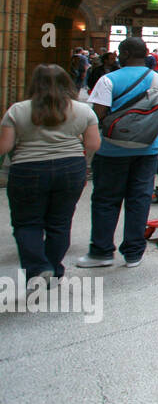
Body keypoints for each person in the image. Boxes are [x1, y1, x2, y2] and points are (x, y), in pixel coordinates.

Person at [75, 38, 158, 269]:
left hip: (112, 149)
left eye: (120, 51)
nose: (117, 55)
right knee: (139, 199)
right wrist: (146, 125)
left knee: (106, 200)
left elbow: (98, 114)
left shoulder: (108, 80)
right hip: (147, 149)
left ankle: (101, 252)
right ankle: (133, 253)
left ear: (127, 52)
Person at [0, 65, 99, 288]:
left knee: (27, 223)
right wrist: (83, 164)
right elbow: (93, 144)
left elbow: (4, 145)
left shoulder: (17, 110)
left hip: (27, 169)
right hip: (70, 168)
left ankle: (38, 267)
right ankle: (53, 267)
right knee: (60, 222)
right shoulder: (83, 110)